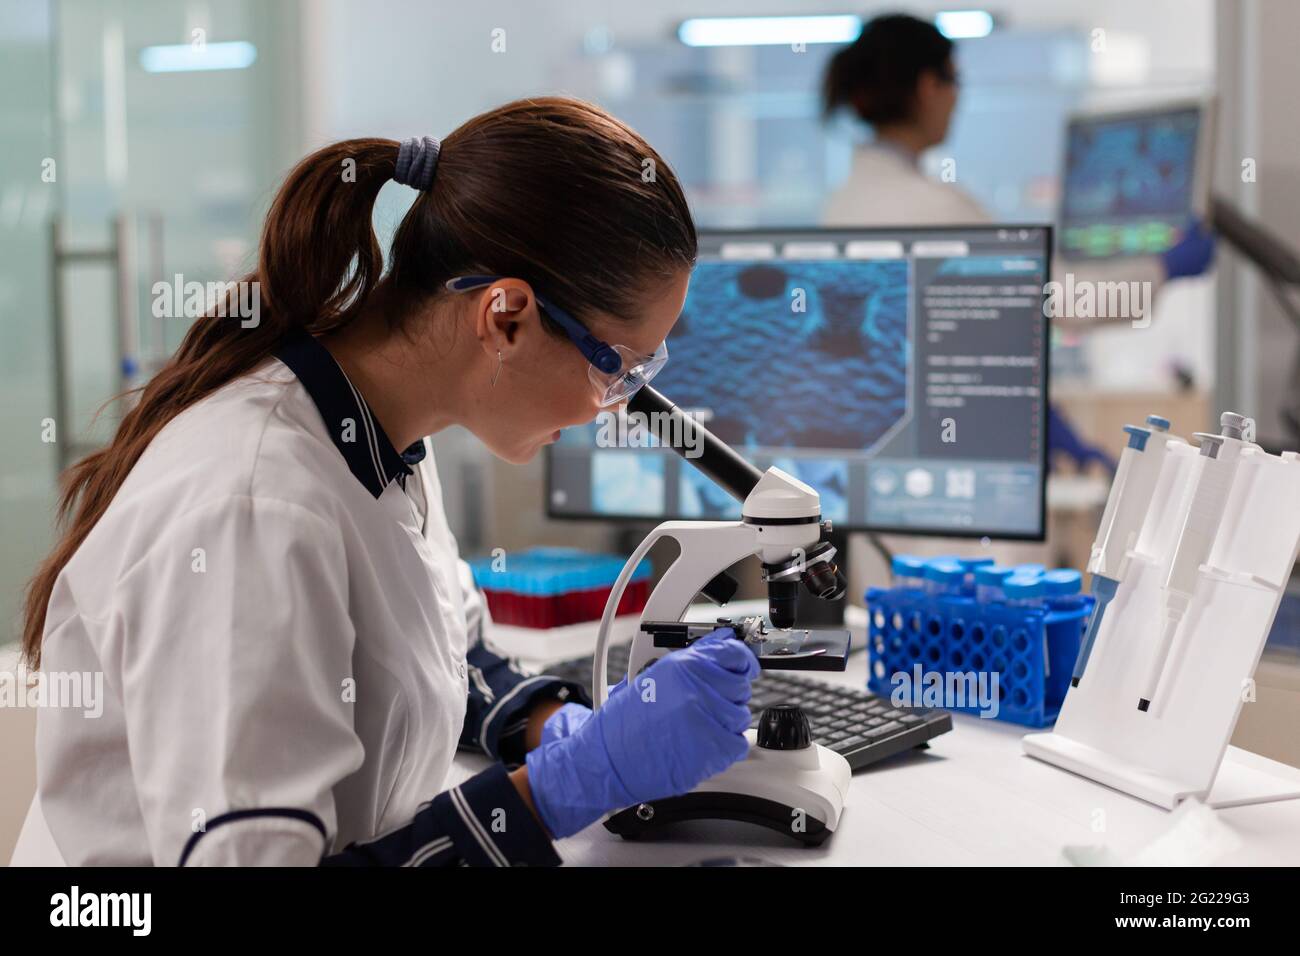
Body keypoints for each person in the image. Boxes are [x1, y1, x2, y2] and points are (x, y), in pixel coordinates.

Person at [19, 97, 760, 866]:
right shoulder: (257, 510)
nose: (614, 407)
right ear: (505, 318)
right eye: (619, 369)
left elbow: (446, 656)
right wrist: (562, 789)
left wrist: (568, 730)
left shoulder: (382, 431)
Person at [821, 12, 1216, 316]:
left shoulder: (842, 203)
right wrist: (1164, 266)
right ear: (929, 87)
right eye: (956, 81)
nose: (958, 100)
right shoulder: (934, 208)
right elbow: (1063, 301)